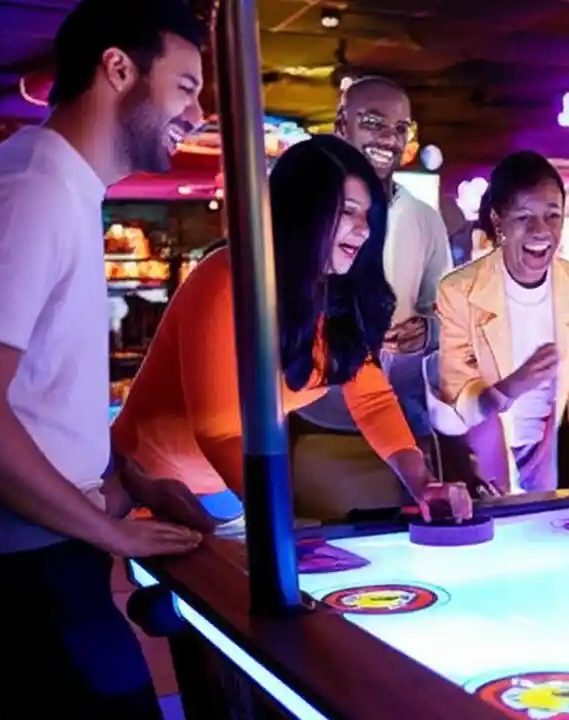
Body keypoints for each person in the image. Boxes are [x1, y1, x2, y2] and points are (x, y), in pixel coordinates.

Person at [0, 2, 209, 716]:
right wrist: (107, 528)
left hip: (39, 546)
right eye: (185, 88)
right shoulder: (30, 188)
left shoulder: (62, 187)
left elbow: (37, 396)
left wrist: (129, 477)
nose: (200, 113)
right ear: (117, 68)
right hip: (15, 557)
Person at [111, 135, 472, 524]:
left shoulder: (334, 295)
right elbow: (219, 434)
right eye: (348, 211)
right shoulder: (226, 281)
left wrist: (422, 483)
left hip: (222, 493)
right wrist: (284, 527)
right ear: (304, 212)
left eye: (370, 215)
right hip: (140, 480)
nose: (365, 230)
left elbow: (372, 399)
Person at [435, 151, 569, 497]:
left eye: (553, 216)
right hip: (479, 454)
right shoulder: (458, 290)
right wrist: (513, 386)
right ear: (498, 221)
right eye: (524, 217)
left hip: (542, 448)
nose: (542, 231)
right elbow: (457, 396)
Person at [295, 76, 454, 463]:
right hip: (318, 420)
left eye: (400, 128)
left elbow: (449, 315)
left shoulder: (423, 218)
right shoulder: (303, 211)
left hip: (405, 419)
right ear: (340, 127)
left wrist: (427, 332)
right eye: (373, 122)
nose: (389, 138)